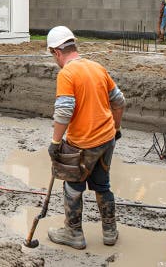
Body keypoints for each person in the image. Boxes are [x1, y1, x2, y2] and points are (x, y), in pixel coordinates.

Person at [46, 26, 125, 250]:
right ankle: (110, 232)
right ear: (74, 45)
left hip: (83, 144)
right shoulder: (97, 67)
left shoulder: (67, 74)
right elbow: (119, 101)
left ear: (56, 52)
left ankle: (73, 233)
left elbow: (64, 111)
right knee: (102, 185)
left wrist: (55, 142)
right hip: (107, 139)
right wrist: (116, 128)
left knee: (73, 186)